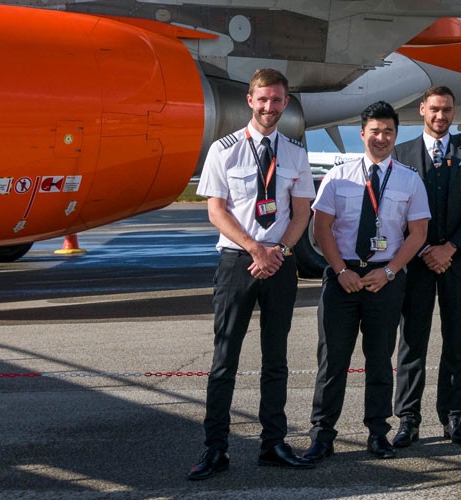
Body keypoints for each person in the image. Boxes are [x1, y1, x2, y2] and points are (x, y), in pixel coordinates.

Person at [187, 68, 315, 480]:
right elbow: (216, 210)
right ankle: (216, 448)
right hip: (237, 263)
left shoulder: (294, 153)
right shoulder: (224, 150)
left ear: (285, 103)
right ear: (250, 100)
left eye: (277, 100)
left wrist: (278, 251)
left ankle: (273, 443)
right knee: (225, 360)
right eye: (263, 100)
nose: (270, 107)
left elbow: (301, 212)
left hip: (279, 263)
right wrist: (255, 249)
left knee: (276, 360)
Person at [302, 100, 432, 465]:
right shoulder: (339, 175)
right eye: (374, 131)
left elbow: (418, 233)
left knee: (379, 360)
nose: (381, 137)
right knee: (333, 361)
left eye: (388, 131)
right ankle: (322, 434)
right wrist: (341, 270)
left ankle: (378, 432)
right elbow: (320, 227)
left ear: (395, 135)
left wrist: (389, 271)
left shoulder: (408, 179)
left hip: (383, 279)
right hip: (342, 278)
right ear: (362, 134)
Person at [391, 86, 461, 447]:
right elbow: (394, 210)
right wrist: (421, 251)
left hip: (457, 261)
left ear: (454, 112)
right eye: (434, 109)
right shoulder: (401, 154)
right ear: (421, 109)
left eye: (447, 110)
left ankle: (453, 416)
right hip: (415, 263)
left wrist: (450, 247)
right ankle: (408, 418)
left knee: (455, 341)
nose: (441, 116)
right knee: (412, 340)